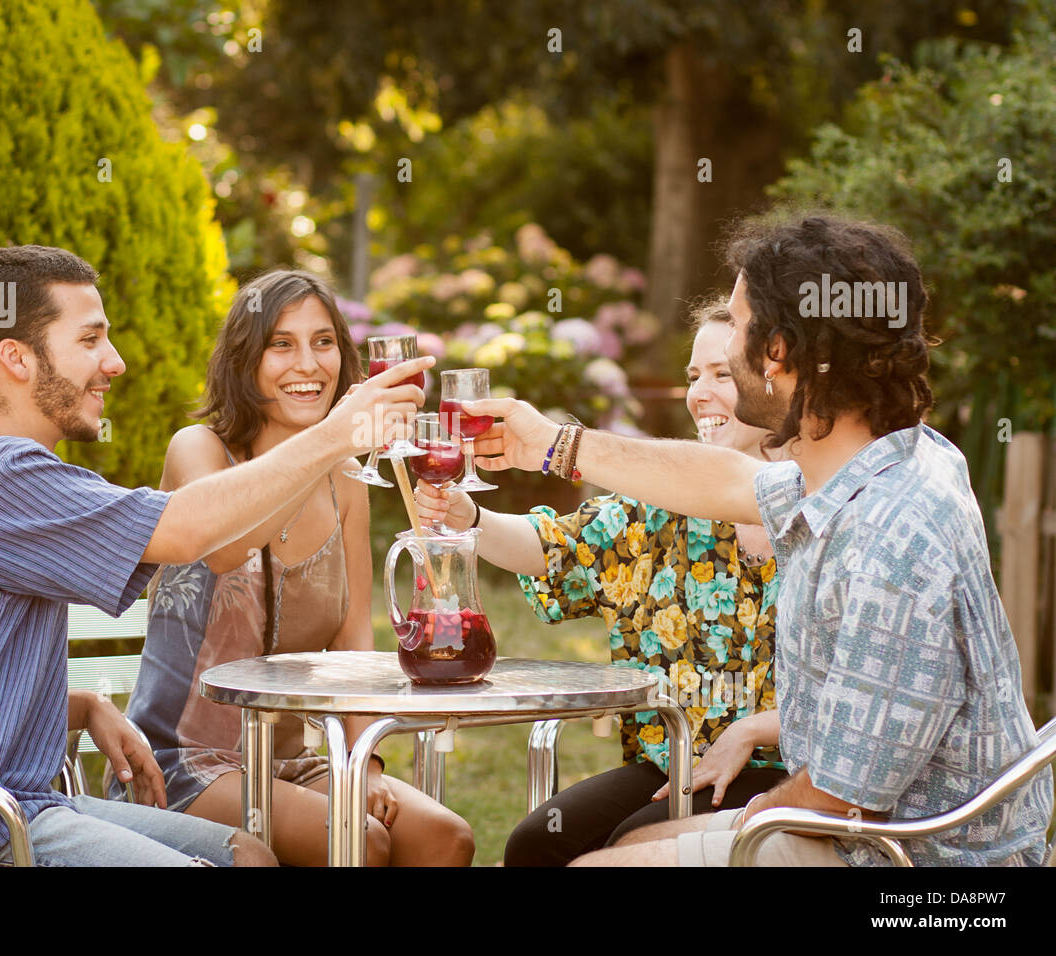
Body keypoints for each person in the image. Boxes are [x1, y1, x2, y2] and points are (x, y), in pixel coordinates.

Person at [462, 214, 1053, 867]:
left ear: (779, 354)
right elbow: (726, 481)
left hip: (914, 859)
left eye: (740, 329)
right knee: (613, 844)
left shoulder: (890, 537)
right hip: (868, 827)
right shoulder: (883, 464)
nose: (728, 347)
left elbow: (842, 797)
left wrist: (743, 819)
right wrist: (550, 443)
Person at [0, 245, 432, 867]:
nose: (115, 363)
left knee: (248, 857)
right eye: (91, 339)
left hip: (12, 805)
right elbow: (187, 531)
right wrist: (337, 432)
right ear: (16, 358)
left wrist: (87, 704)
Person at [117, 269, 474, 867]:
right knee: (360, 839)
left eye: (323, 342)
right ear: (245, 360)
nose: (307, 364)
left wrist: (368, 765)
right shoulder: (198, 451)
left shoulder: (347, 483)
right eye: (280, 344)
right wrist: (333, 441)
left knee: (445, 836)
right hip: (180, 763)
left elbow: (353, 639)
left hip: (290, 763)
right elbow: (227, 547)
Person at [415, 299, 788, 866]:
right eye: (693, 376)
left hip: (789, 770)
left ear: (775, 381)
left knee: (623, 847)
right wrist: (470, 518)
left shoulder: (824, 508)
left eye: (722, 374)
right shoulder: (663, 502)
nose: (699, 393)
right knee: (535, 844)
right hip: (672, 760)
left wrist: (758, 729)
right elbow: (552, 550)